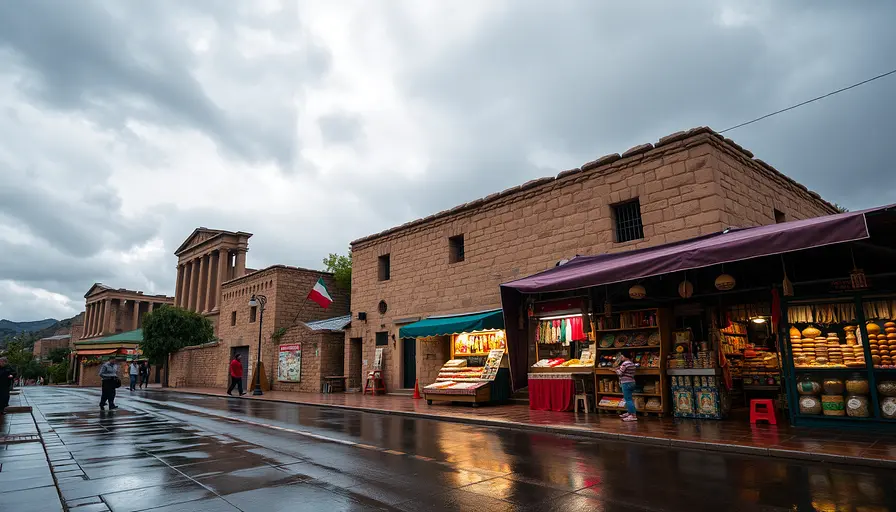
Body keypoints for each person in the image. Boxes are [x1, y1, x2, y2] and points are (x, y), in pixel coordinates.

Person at [613, 352, 638, 422]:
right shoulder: (631, 363)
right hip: (632, 382)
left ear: (625, 357)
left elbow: (620, 373)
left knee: (628, 399)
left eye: (622, 356)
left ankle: (633, 415)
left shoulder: (625, 363)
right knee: (629, 398)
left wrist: (615, 370)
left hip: (626, 383)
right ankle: (629, 413)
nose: (621, 357)